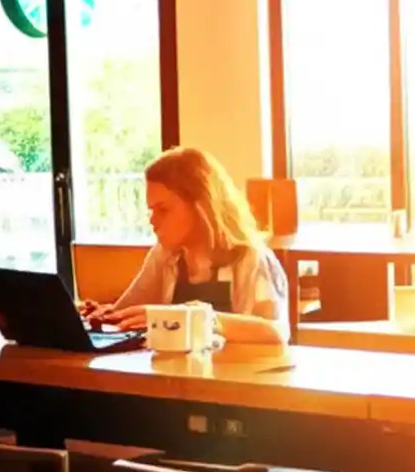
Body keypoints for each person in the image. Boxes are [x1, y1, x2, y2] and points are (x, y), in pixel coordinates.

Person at [82, 147, 290, 344]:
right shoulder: (164, 256)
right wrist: (102, 315)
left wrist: (198, 318)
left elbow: (276, 332)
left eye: (163, 210)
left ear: (200, 207)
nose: (152, 220)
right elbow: (128, 313)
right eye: (151, 210)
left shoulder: (250, 259)